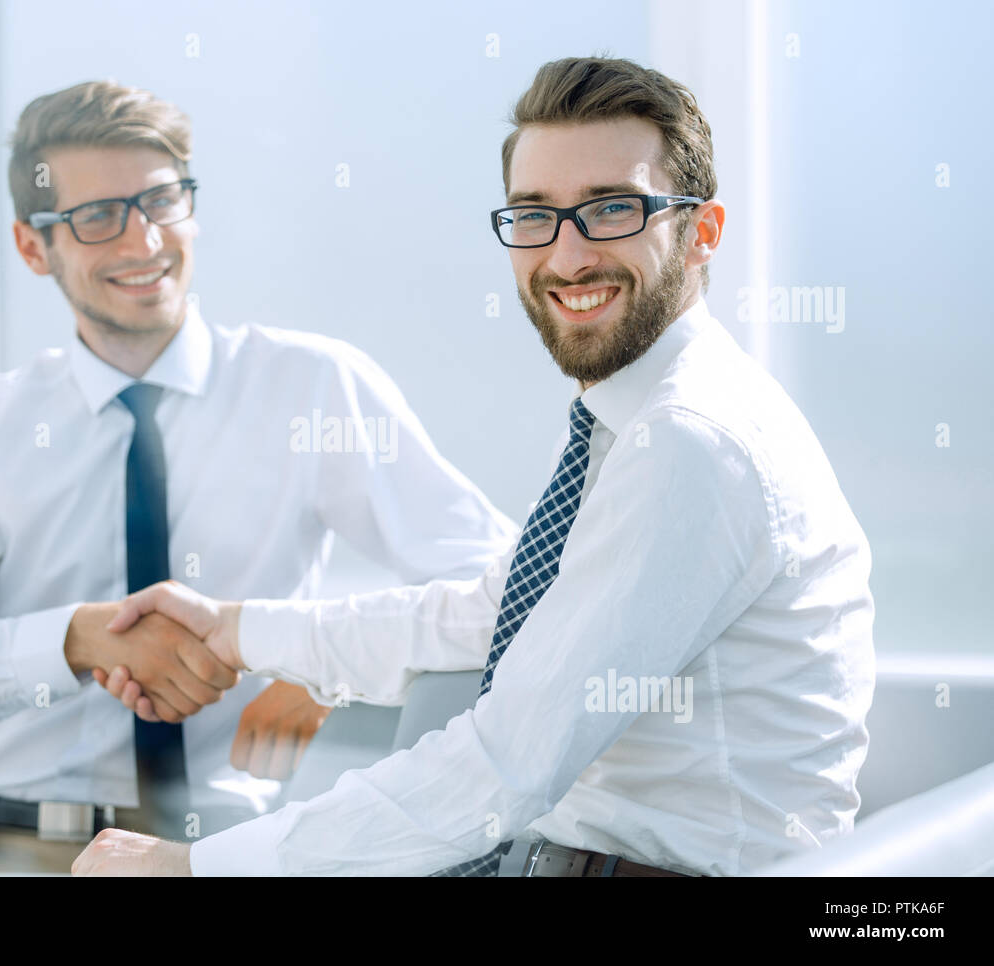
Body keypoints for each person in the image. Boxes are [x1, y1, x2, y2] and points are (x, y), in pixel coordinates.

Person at [75, 56, 876, 877]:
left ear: (701, 232)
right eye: (536, 217)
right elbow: (484, 617)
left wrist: (194, 869)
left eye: (611, 210)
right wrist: (235, 630)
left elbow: (502, 764)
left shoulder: (691, 443)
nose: (567, 259)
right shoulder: (636, 424)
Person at [0, 81, 517, 873]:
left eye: (161, 202)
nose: (143, 243)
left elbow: (498, 575)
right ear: (35, 248)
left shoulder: (311, 387)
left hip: (219, 847)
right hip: (12, 844)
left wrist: (325, 667)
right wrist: (75, 638)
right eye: (96, 217)